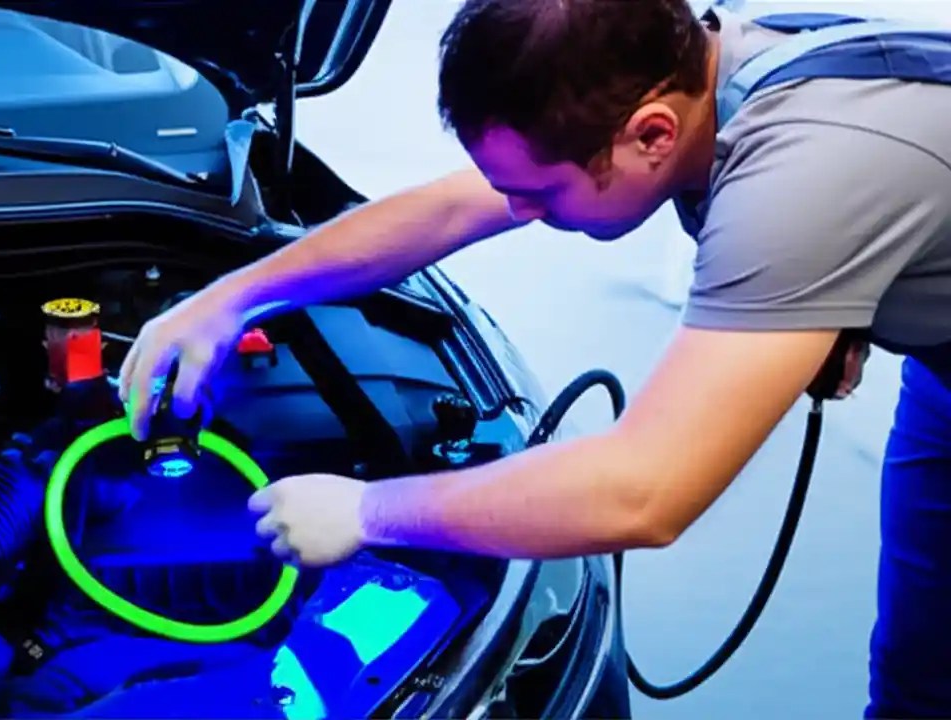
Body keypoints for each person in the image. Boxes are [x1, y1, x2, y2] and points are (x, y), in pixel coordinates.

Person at [118, 0, 951, 714]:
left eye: (540, 195)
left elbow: (644, 492)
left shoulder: (804, 174)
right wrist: (227, 300)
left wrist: (367, 513)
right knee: (922, 677)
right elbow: (449, 210)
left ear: (651, 135)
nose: (516, 209)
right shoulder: (683, 63)